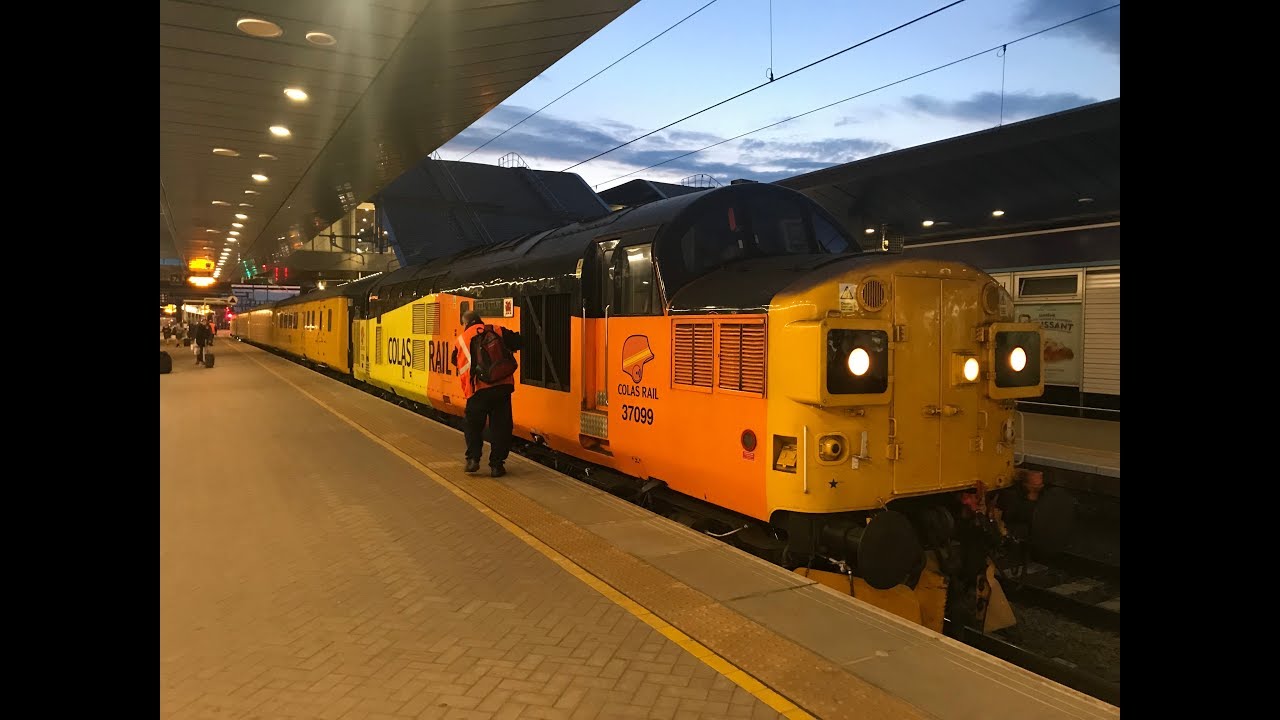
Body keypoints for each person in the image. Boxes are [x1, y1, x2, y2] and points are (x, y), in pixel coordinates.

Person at [450, 310, 522, 477]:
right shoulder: (496, 330)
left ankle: (473, 459)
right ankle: (497, 465)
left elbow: (455, 361)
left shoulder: (461, 340)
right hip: (502, 388)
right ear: (479, 321)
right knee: (501, 427)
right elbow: (519, 341)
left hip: (477, 390)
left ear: (465, 323)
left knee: (473, 426)